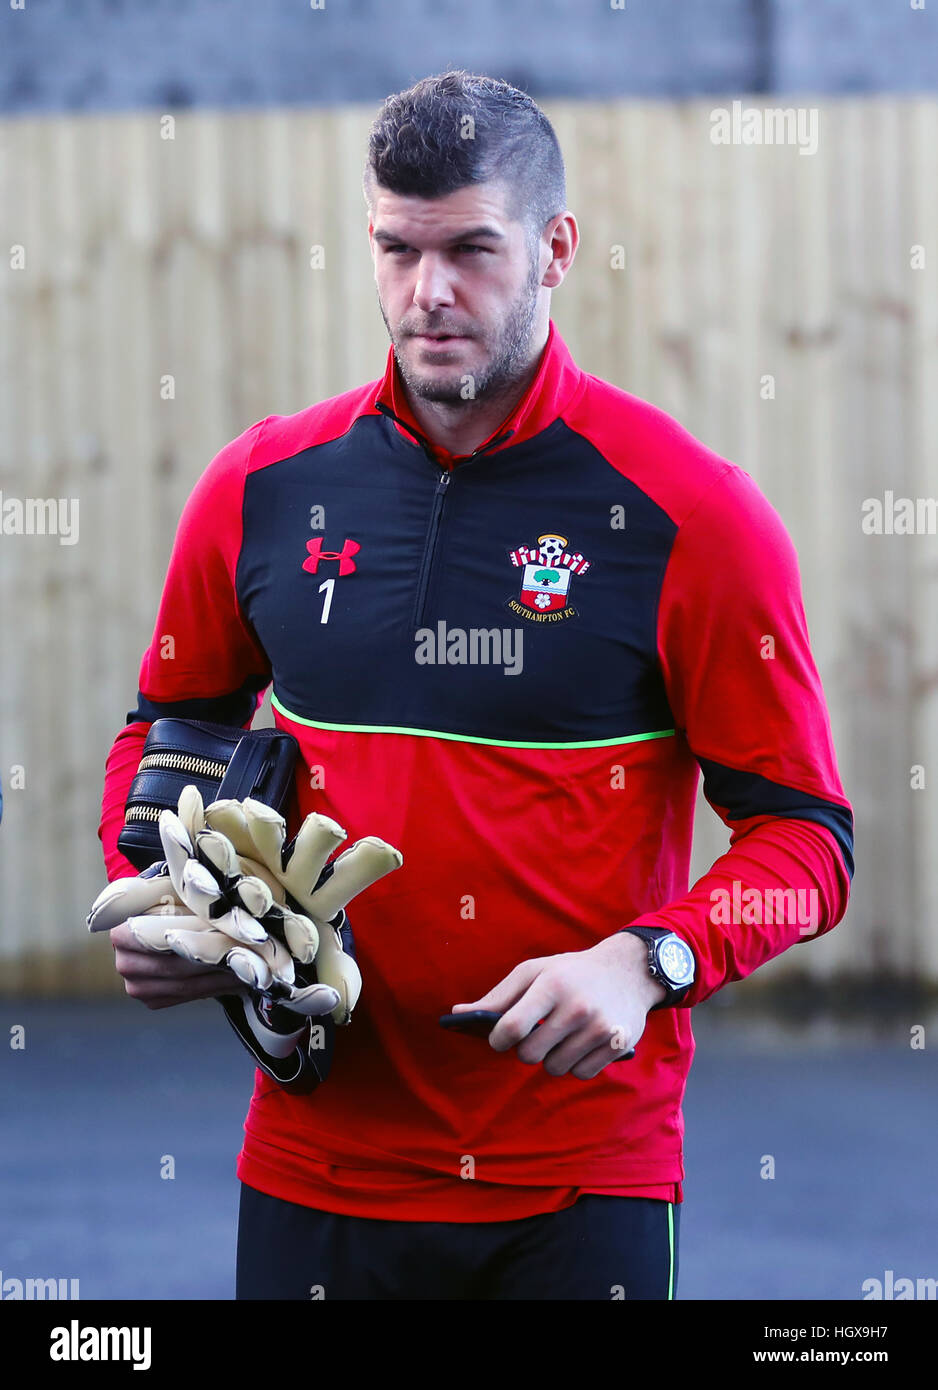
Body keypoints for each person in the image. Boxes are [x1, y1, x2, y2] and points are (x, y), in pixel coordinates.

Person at [97, 69, 854, 1301]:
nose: (426, 292)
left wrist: (648, 960)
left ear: (555, 248)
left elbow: (808, 844)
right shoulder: (261, 486)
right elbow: (175, 720)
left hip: (577, 1176)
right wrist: (155, 889)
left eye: (469, 250)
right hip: (311, 1163)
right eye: (395, 250)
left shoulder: (690, 515)